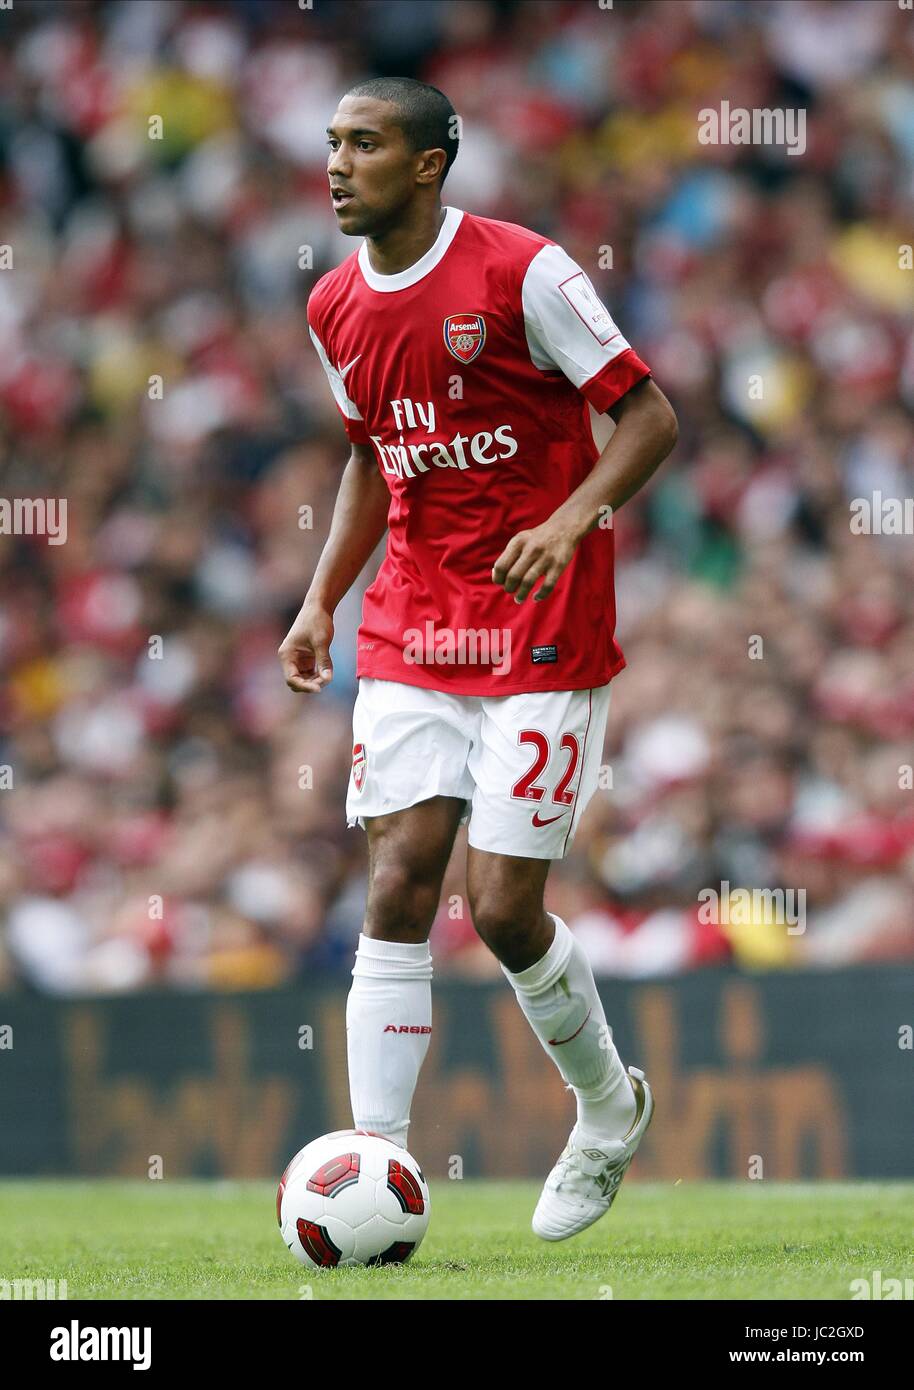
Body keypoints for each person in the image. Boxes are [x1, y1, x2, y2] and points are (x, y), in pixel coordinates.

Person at [278, 77, 678, 1240]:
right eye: (332, 142)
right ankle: (379, 1167)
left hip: (543, 625)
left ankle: (607, 1109)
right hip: (412, 623)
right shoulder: (332, 305)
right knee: (398, 880)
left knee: (500, 908)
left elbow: (648, 416)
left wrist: (569, 518)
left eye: (364, 143)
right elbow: (372, 456)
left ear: (427, 164)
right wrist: (320, 600)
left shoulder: (523, 272)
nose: (337, 163)